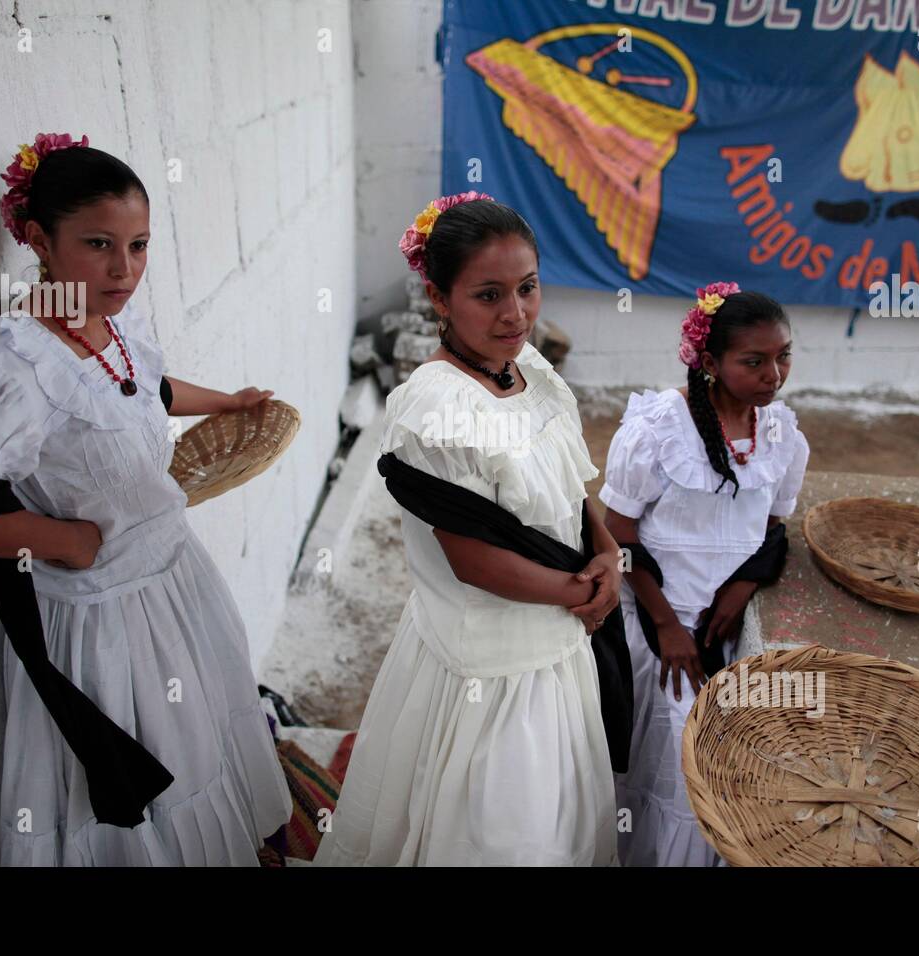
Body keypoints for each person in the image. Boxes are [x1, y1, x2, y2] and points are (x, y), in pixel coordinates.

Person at [0, 132, 292, 865]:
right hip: (105, 621)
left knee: (206, 742)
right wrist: (67, 541)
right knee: (149, 778)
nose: (125, 269)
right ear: (37, 239)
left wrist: (229, 400)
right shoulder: (15, 366)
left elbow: (141, 388)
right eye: (98, 243)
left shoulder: (110, 324)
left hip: (176, 585)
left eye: (140, 245)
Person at [314, 194, 624, 865]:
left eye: (527, 288)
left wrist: (607, 554)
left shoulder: (527, 370)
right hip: (493, 668)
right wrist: (585, 594)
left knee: (556, 820)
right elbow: (476, 563)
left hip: (554, 644)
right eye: (488, 295)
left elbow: (568, 485)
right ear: (439, 298)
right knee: (501, 828)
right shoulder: (437, 411)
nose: (515, 313)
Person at [601, 284, 809, 866]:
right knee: (675, 760)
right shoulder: (658, 431)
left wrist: (742, 587)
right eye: (755, 361)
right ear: (710, 363)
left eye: (783, 356)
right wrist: (665, 625)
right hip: (658, 619)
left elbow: (772, 529)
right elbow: (617, 540)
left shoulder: (782, 436)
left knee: (730, 763)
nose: (775, 374)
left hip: (730, 627)